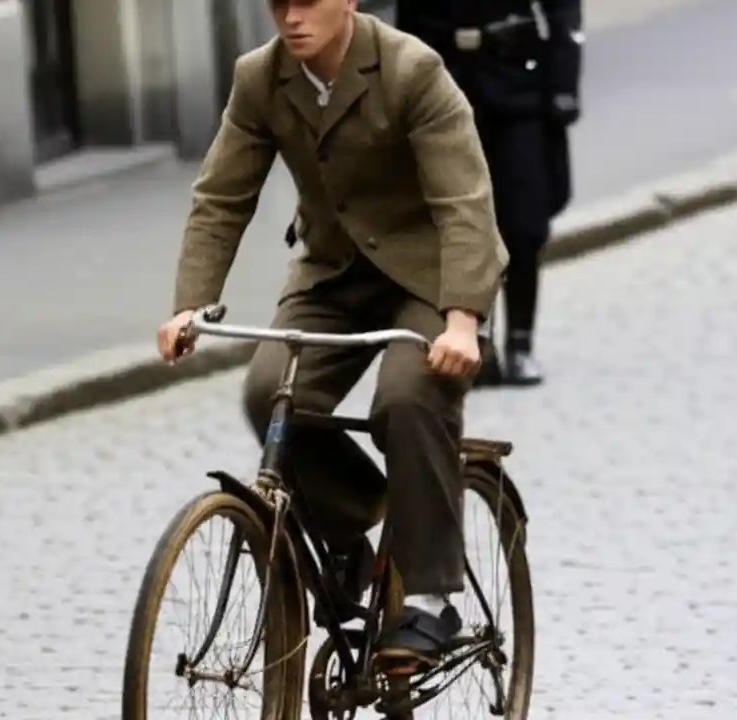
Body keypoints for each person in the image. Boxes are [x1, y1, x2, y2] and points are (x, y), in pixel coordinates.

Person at [156, 0, 508, 671]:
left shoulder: (412, 70)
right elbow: (222, 196)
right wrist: (190, 307)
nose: (291, 17)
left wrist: (462, 319)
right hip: (332, 274)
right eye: (277, 2)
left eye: (307, 1)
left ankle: (431, 596)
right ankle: (348, 528)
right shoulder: (261, 77)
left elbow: (465, 203)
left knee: (407, 398)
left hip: (426, 273)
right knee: (270, 396)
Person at [396, 0, 583, 386]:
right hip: (448, 93)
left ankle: (520, 343)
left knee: (525, 226)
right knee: (457, 227)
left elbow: (563, 12)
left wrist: (563, 86)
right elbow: (408, 30)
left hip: (519, 86)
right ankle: (474, 342)